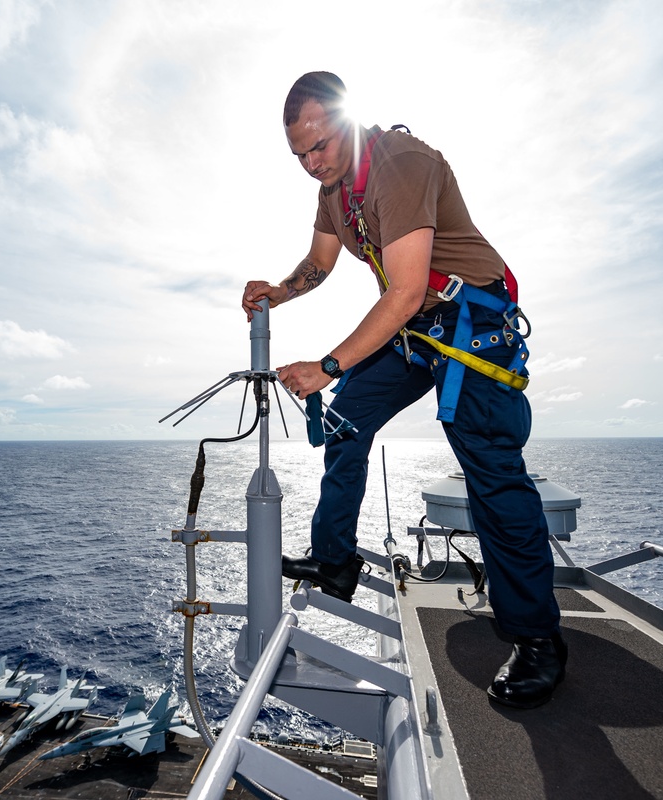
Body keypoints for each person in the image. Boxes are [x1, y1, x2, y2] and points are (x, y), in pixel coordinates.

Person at [241, 72, 566, 709]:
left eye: (321, 145)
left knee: (489, 467)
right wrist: (278, 291)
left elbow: (406, 289)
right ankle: (335, 560)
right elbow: (321, 262)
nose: (313, 163)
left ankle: (538, 639)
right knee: (348, 418)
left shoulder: (400, 162)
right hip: (420, 327)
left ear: (348, 120)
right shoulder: (335, 189)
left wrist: (328, 364)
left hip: (471, 320)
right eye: (300, 155)